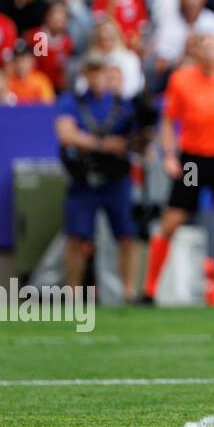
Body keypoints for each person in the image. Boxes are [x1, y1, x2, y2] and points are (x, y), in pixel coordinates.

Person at [142, 32, 214, 302]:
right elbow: (169, 120)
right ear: (195, 53)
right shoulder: (181, 80)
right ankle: (149, 290)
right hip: (193, 160)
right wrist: (170, 155)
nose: (208, 53)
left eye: (212, 47)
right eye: (203, 48)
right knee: (173, 219)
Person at [55, 53, 142, 299]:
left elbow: (138, 140)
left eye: (101, 71)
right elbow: (66, 134)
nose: (97, 77)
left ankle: (129, 289)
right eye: (91, 72)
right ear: (85, 75)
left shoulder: (123, 104)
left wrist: (127, 144)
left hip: (116, 177)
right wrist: (104, 145)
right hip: (85, 177)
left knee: (126, 234)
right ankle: (72, 291)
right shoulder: (72, 101)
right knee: (75, 236)